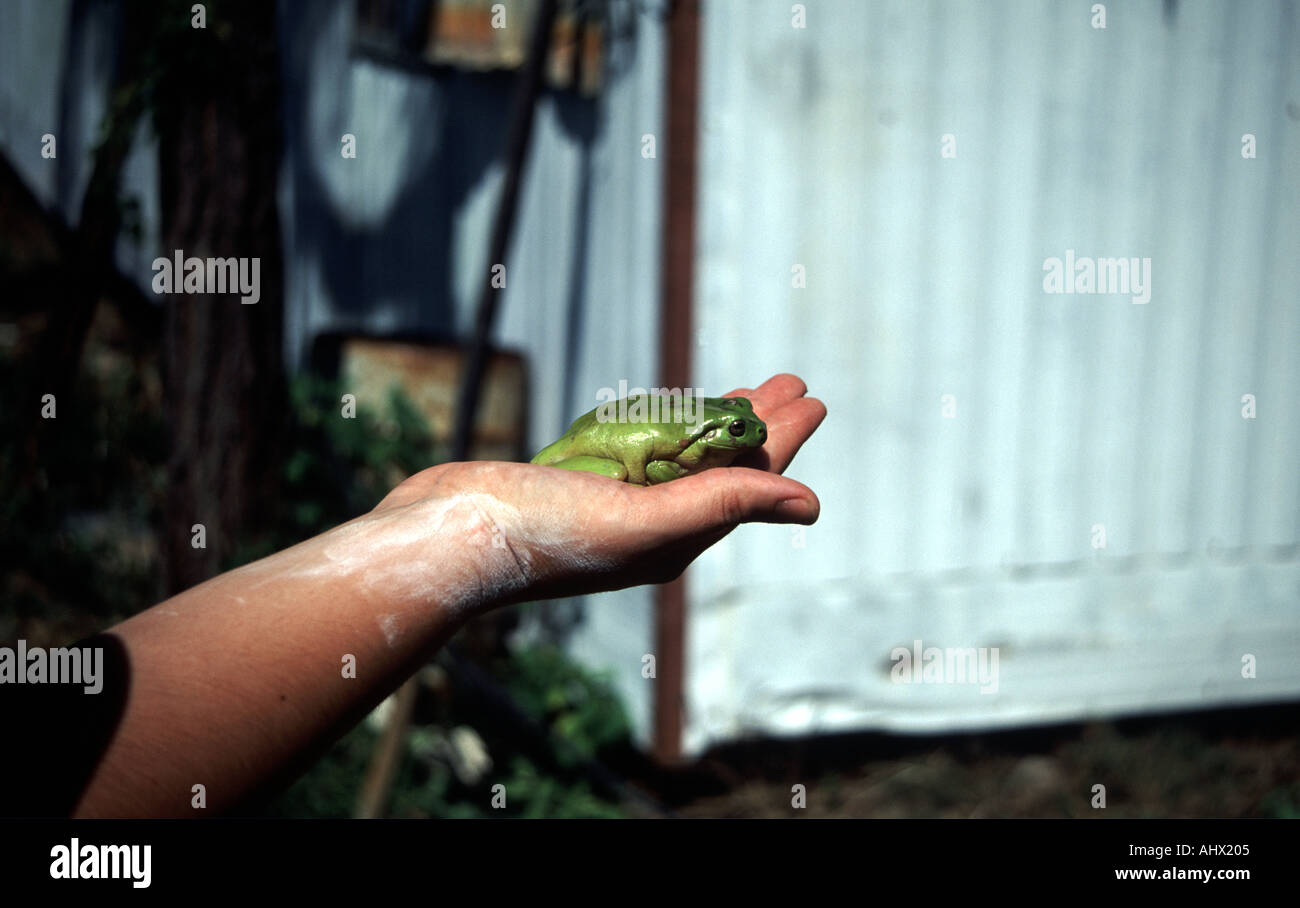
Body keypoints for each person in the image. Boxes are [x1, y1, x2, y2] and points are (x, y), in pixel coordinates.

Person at [10, 374, 825, 817]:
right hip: (607, 453)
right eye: (730, 433)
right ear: (709, 434)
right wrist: (482, 531)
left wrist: (457, 522)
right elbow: (643, 455)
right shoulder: (684, 435)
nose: (737, 438)